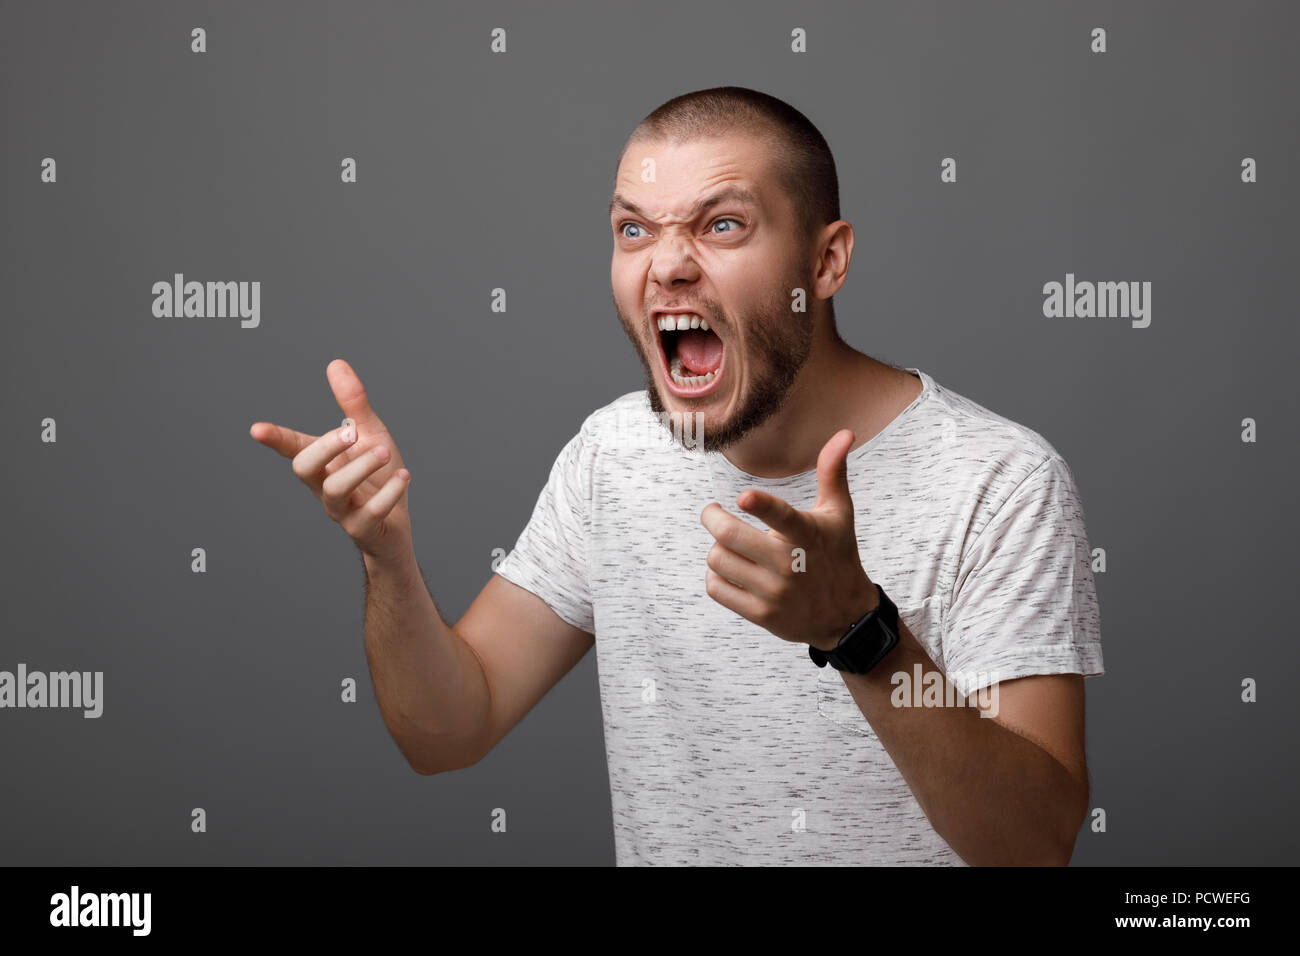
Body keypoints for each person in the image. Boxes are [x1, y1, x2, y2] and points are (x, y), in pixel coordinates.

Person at [250, 86, 1103, 866]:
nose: (667, 265)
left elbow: (1033, 845)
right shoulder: (612, 457)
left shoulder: (998, 480)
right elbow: (448, 732)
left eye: (721, 225)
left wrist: (859, 633)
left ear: (826, 262)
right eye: (635, 229)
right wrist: (387, 556)